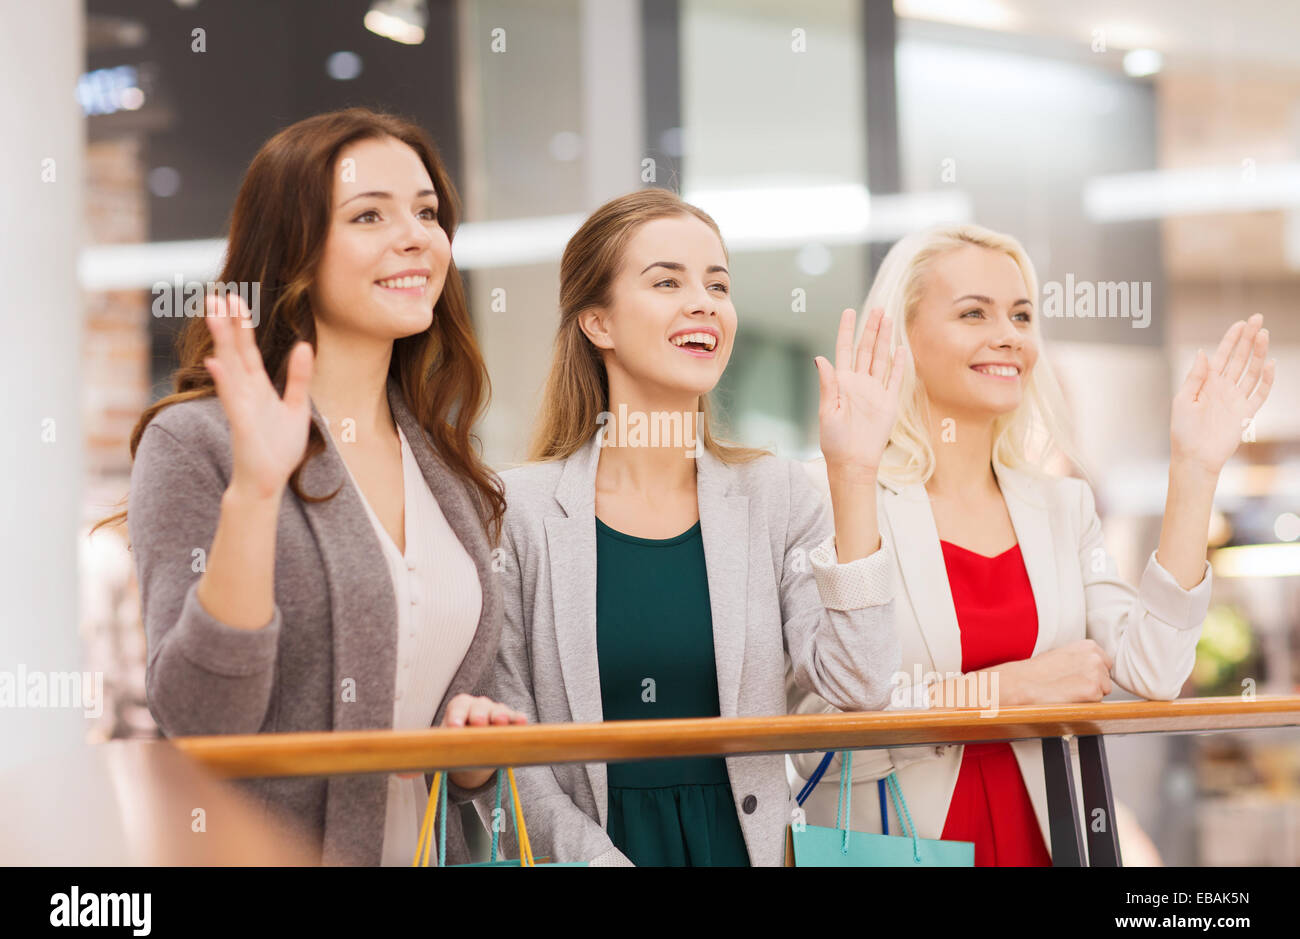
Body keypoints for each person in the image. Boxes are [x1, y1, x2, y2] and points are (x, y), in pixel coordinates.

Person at [97, 108, 525, 866]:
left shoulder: (449, 470)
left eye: (427, 212)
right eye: (369, 214)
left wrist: (473, 758)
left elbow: (457, 736)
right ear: (294, 248)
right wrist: (256, 493)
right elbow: (201, 723)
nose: (416, 236)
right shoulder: (198, 443)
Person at [790, 223, 1274, 865]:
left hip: (1043, 843)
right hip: (899, 846)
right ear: (901, 338)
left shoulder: (1060, 507)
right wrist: (1007, 690)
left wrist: (1194, 468)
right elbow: (818, 731)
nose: (1010, 336)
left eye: (1021, 315)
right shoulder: (835, 497)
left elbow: (1155, 669)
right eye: (974, 313)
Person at [481, 188, 903, 866]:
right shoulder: (515, 510)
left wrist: (853, 472)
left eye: (718, 283)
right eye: (666, 281)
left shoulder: (777, 496)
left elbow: (862, 684)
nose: (704, 300)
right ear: (598, 322)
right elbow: (506, 753)